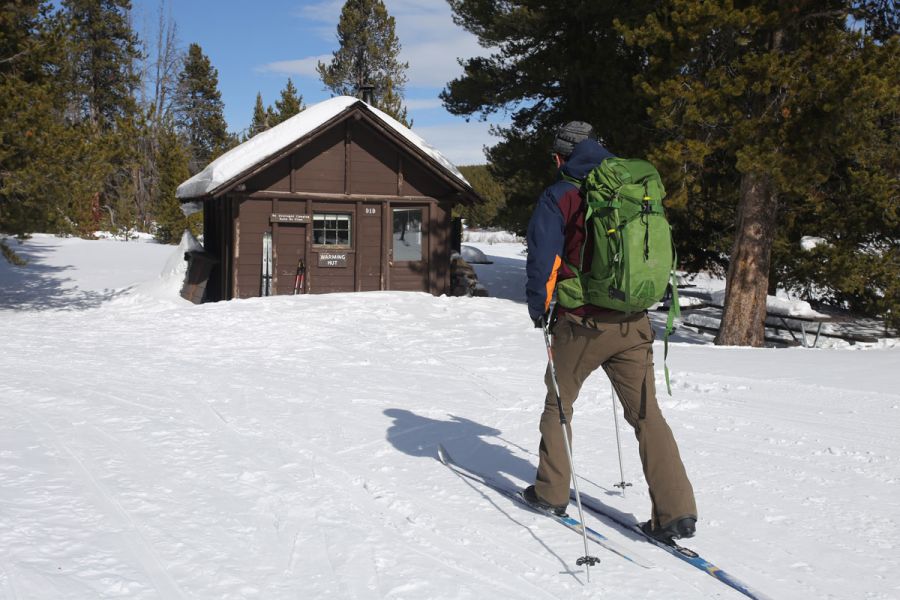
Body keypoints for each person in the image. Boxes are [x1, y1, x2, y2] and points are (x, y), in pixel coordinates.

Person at [522, 121, 698, 541]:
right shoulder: (633, 185)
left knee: (559, 405)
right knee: (647, 415)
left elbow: (543, 260)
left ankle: (551, 492)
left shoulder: (560, 194)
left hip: (582, 323)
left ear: (560, 156)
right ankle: (676, 512)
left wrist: (539, 309)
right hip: (635, 321)